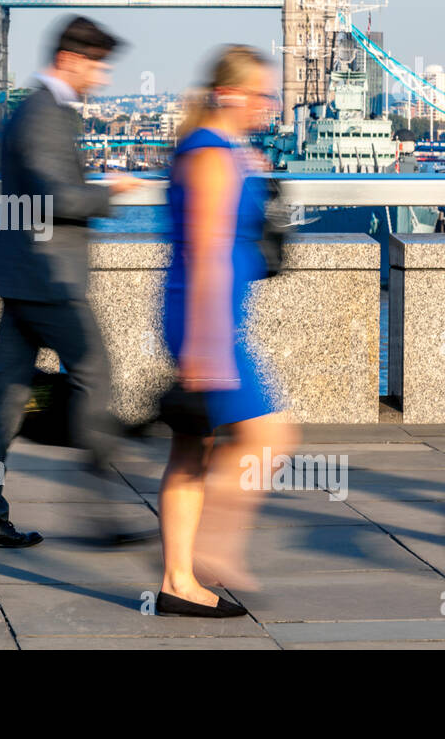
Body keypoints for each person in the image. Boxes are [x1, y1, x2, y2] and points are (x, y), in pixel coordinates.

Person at [0, 16, 144, 550]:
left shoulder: (37, 111)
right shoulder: (44, 115)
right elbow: (59, 196)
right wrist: (114, 190)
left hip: (25, 274)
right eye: (97, 65)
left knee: (6, 399)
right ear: (70, 59)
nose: (103, 77)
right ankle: (97, 497)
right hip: (47, 279)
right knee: (94, 373)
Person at [154, 45, 298, 617]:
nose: (271, 105)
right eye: (264, 95)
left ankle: (177, 580)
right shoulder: (211, 156)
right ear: (231, 95)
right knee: (272, 440)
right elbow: (210, 254)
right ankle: (213, 549)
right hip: (208, 323)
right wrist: (207, 346)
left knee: (193, 449)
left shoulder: (222, 151)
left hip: (209, 318)